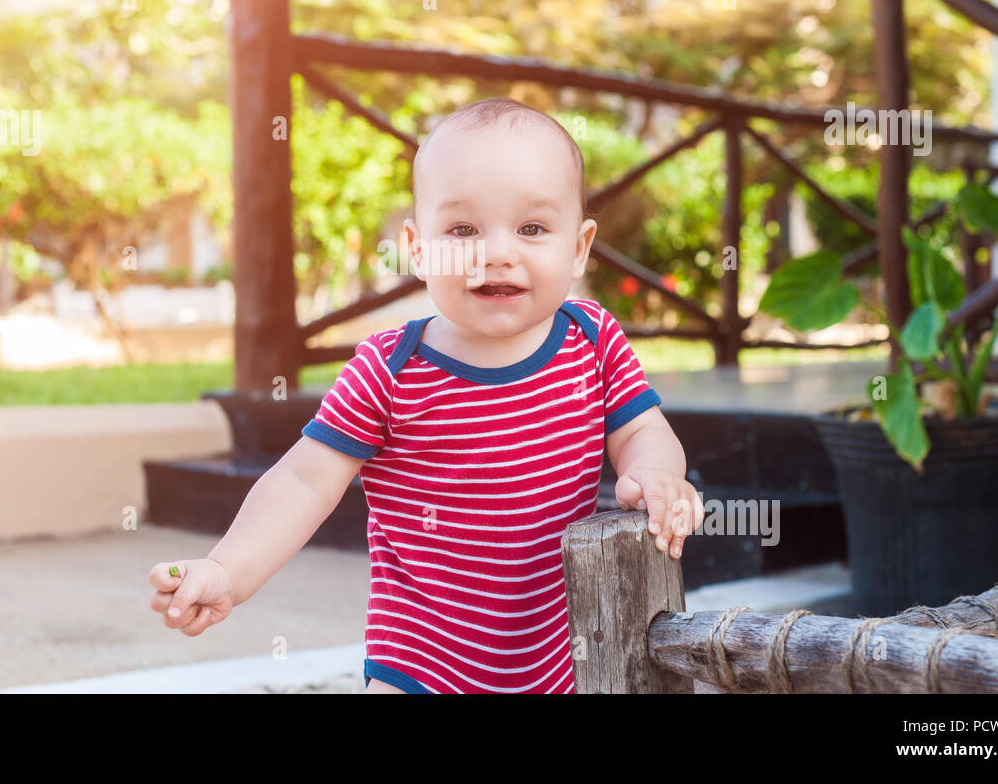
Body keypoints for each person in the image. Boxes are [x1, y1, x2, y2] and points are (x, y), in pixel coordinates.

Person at [147, 96, 703, 693]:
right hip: (418, 666)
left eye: (533, 228)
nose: (497, 252)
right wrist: (228, 570)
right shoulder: (389, 370)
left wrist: (656, 476)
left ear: (578, 246)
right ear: (417, 247)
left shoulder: (593, 340)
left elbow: (643, 432)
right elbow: (303, 481)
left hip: (560, 662)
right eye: (462, 229)